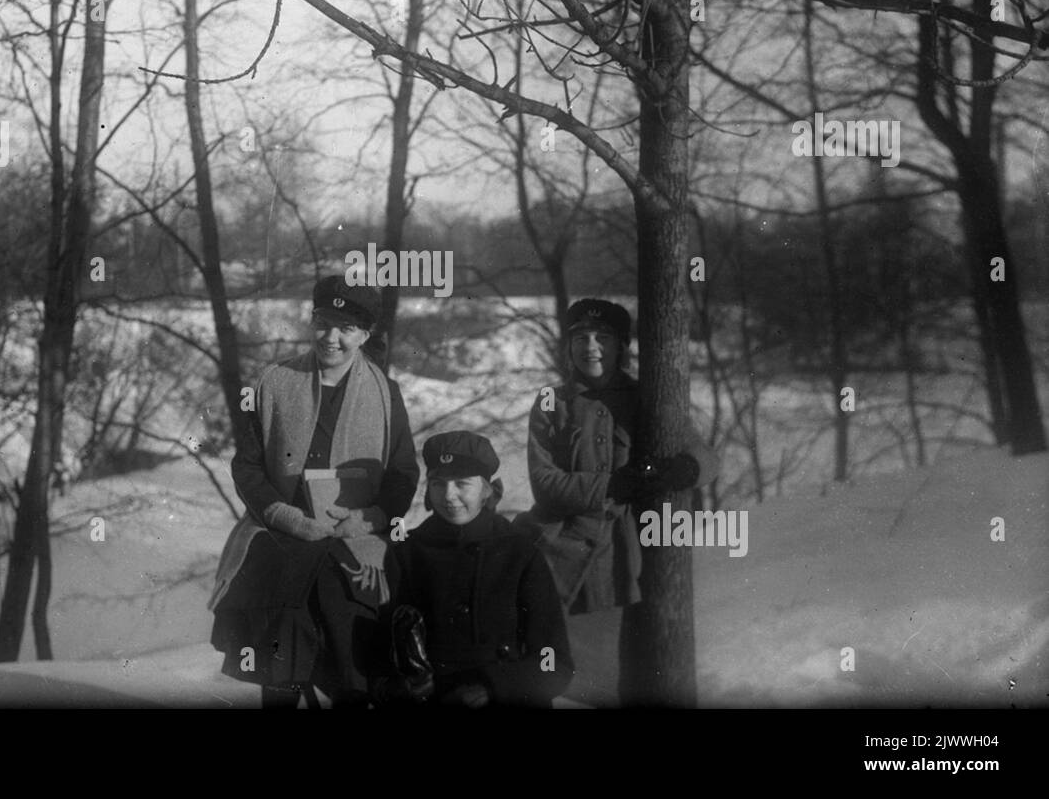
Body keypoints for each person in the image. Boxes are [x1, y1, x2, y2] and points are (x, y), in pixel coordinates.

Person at [209, 275, 420, 707]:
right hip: (283, 531)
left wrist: (371, 518)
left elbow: (402, 471)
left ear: (365, 334)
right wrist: (284, 516)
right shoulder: (273, 381)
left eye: (346, 328)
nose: (332, 338)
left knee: (352, 635)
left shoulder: (385, 393)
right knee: (281, 634)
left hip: (353, 533)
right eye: (324, 323)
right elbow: (247, 466)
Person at [519, 298, 717, 703]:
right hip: (557, 557)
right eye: (580, 338)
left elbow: (707, 457)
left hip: (619, 567)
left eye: (603, 337)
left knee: (608, 683)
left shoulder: (649, 398)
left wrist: (686, 470)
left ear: (622, 346)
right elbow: (545, 483)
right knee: (551, 683)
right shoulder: (550, 403)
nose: (590, 347)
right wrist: (614, 486)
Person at [374, 431, 574, 707]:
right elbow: (385, 653)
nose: (449, 496)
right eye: (438, 484)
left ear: (487, 490)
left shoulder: (519, 553)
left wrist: (493, 687)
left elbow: (555, 664)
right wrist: (405, 685)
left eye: (462, 484)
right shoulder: (408, 553)